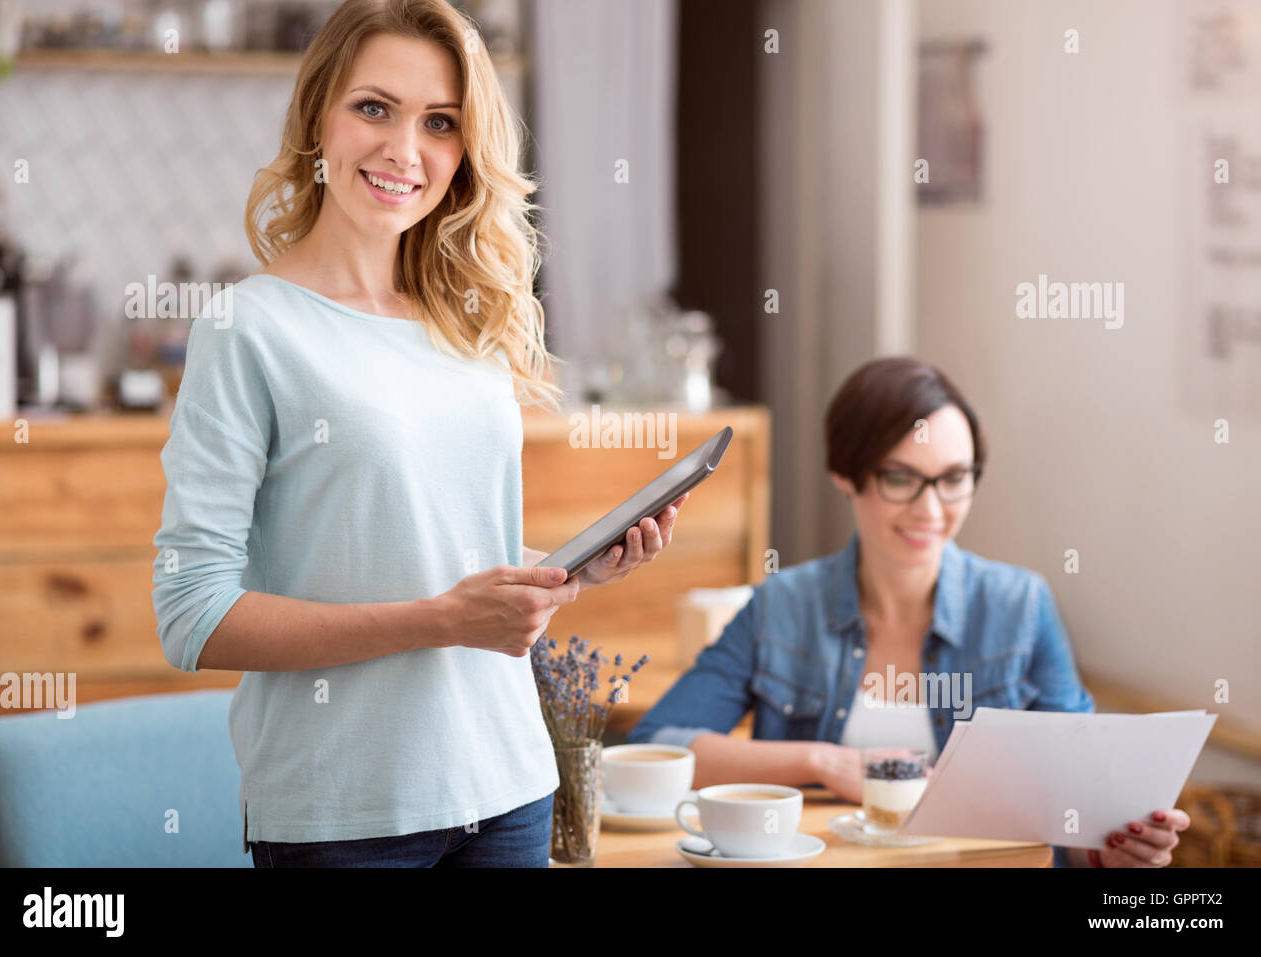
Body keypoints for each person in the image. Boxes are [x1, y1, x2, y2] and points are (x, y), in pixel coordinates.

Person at [151, 0, 683, 868]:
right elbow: (193, 615)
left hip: (508, 780)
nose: (406, 149)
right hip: (346, 809)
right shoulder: (249, 329)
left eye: (440, 122)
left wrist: (559, 572)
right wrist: (442, 619)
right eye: (374, 108)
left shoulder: (464, 321)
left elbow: (418, 540)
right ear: (318, 116)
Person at [629, 357, 1190, 867]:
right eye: (900, 478)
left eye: (953, 480)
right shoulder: (784, 606)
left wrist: (1110, 856)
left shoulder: (1020, 606)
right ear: (846, 473)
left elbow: (1076, 804)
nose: (930, 509)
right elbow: (657, 747)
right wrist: (825, 763)